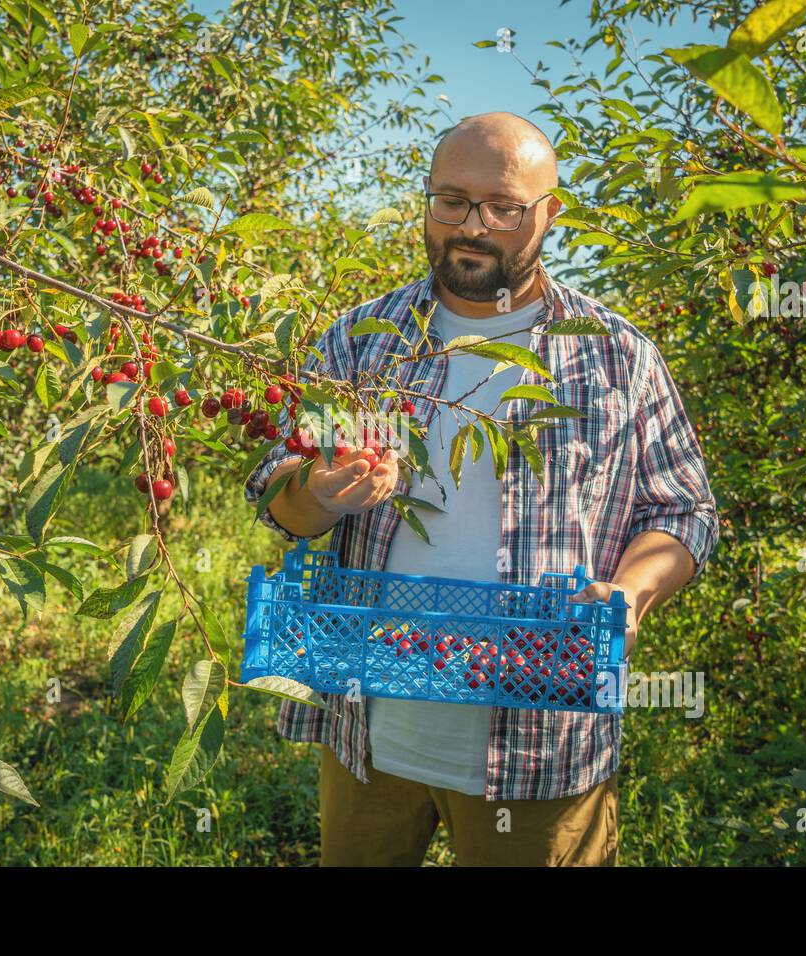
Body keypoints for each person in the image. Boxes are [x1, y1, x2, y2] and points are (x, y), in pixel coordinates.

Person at [244, 111, 719, 866]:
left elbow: (683, 509)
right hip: (369, 728)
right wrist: (324, 493)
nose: (473, 226)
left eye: (503, 208)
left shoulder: (616, 358)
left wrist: (632, 593)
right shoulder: (361, 341)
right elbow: (280, 498)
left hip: (542, 749)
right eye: (452, 201)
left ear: (550, 214)